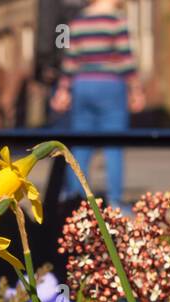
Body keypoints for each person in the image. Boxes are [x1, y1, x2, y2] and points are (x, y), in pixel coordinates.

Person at [51, 0, 142, 206]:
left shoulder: (79, 22)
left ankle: (74, 200)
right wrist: (135, 89)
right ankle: (115, 201)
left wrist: (63, 90)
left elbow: (70, 60)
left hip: (82, 85)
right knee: (114, 145)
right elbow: (125, 58)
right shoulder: (116, 21)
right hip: (111, 85)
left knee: (81, 144)